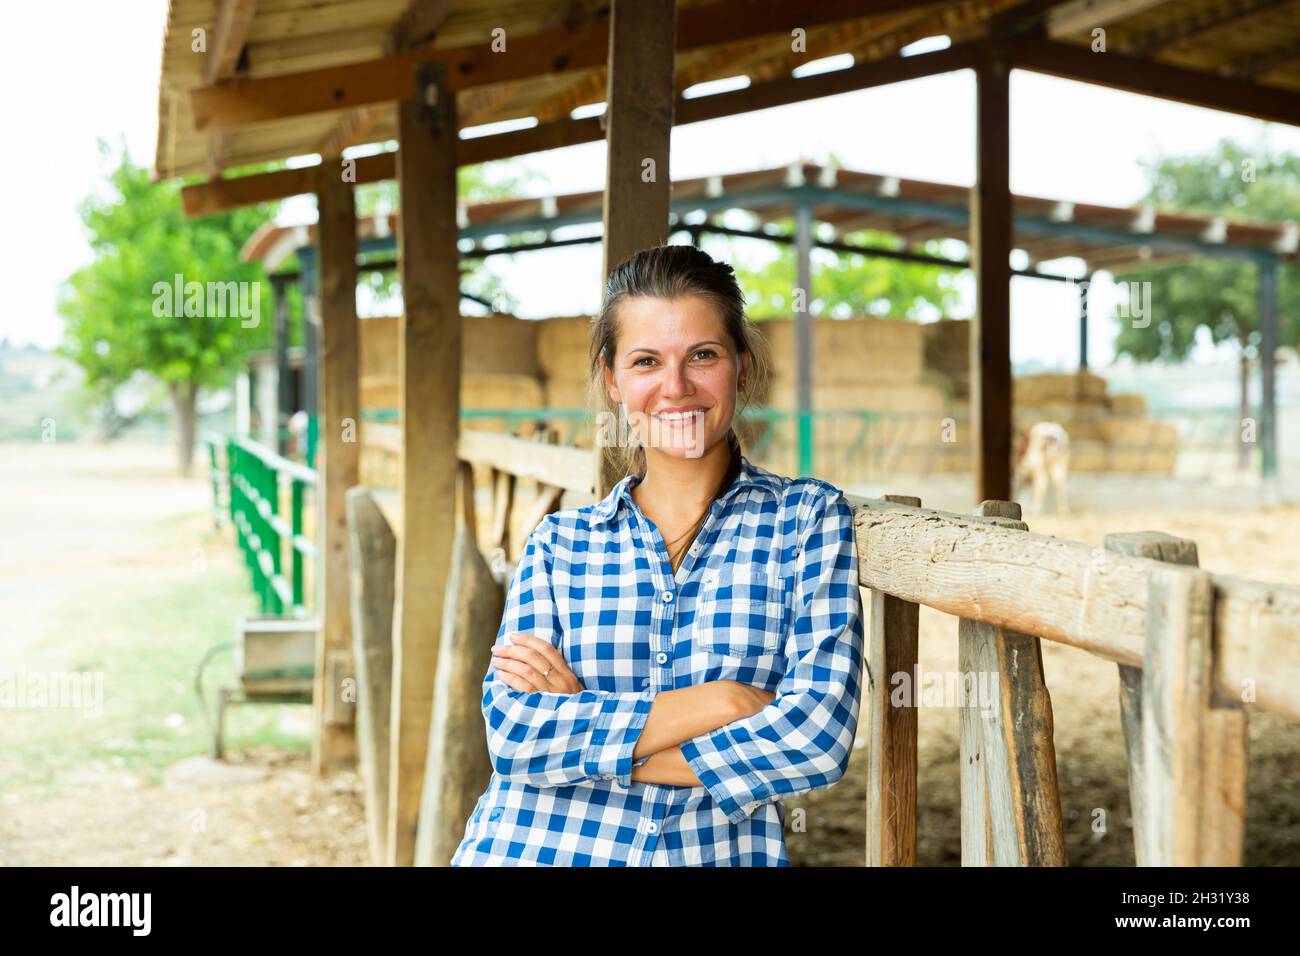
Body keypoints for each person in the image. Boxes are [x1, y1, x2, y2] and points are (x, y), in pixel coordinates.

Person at [450, 244, 865, 866]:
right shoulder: (561, 546)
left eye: (703, 355)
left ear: (741, 368)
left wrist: (591, 735)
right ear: (613, 380)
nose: (676, 387)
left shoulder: (805, 523)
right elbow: (517, 737)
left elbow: (814, 739)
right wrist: (720, 702)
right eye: (647, 361)